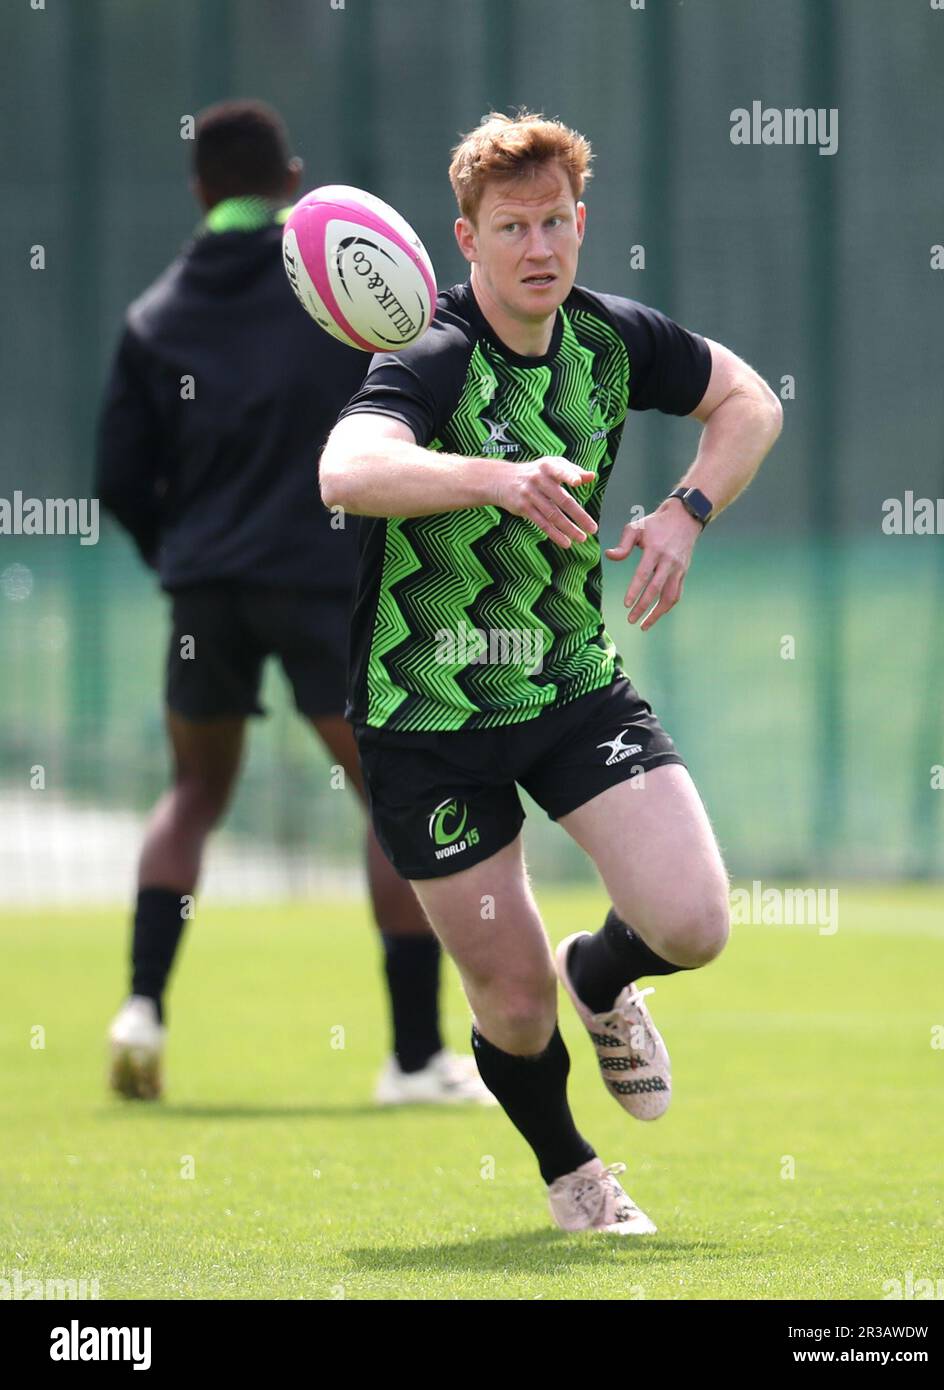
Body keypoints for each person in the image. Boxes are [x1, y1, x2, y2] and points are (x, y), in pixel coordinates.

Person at [319, 109, 782, 1233]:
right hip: (425, 716)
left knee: (693, 921)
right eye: (512, 225)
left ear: (584, 224)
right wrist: (494, 475)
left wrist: (687, 509)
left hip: (569, 684)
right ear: (465, 239)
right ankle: (574, 1172)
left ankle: (603, 972)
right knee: (512, 1007)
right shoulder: (430, 352)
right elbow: (347, 468)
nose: (540, 247)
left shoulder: (611, 340)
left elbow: (750, 401)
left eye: (557, 222)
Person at [95, 98, 491, 1107]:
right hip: (326, 582)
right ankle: (412, 1059)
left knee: (192, 795)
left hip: (205, 591)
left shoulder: (152, 316)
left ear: (198, 191)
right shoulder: (340, 295)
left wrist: (178, 555)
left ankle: (142, 1006)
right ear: (291, 179)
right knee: (389, 800)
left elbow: (116, 479)